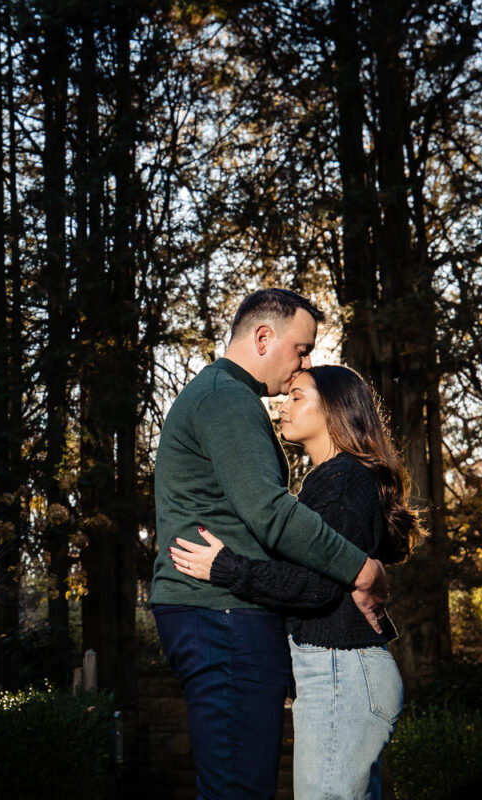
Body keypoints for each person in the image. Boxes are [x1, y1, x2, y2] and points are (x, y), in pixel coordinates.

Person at [150, 289, 389, 800]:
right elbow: (271, 512)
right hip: (223, 616)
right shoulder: (227, 400)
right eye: (302, 349)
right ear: (264, 337)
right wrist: (361, 570)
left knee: (237, 783)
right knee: (238, 788)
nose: (305, 362)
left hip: (224, 612)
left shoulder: (222, 396)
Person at [169, 365, 425, 800]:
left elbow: (317, 586)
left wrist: (225, 567)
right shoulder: (334, 479)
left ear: (334, 410)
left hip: (343, 673)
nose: (282, 408)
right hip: (340, 672)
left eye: (297, 397)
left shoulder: (344, 479)